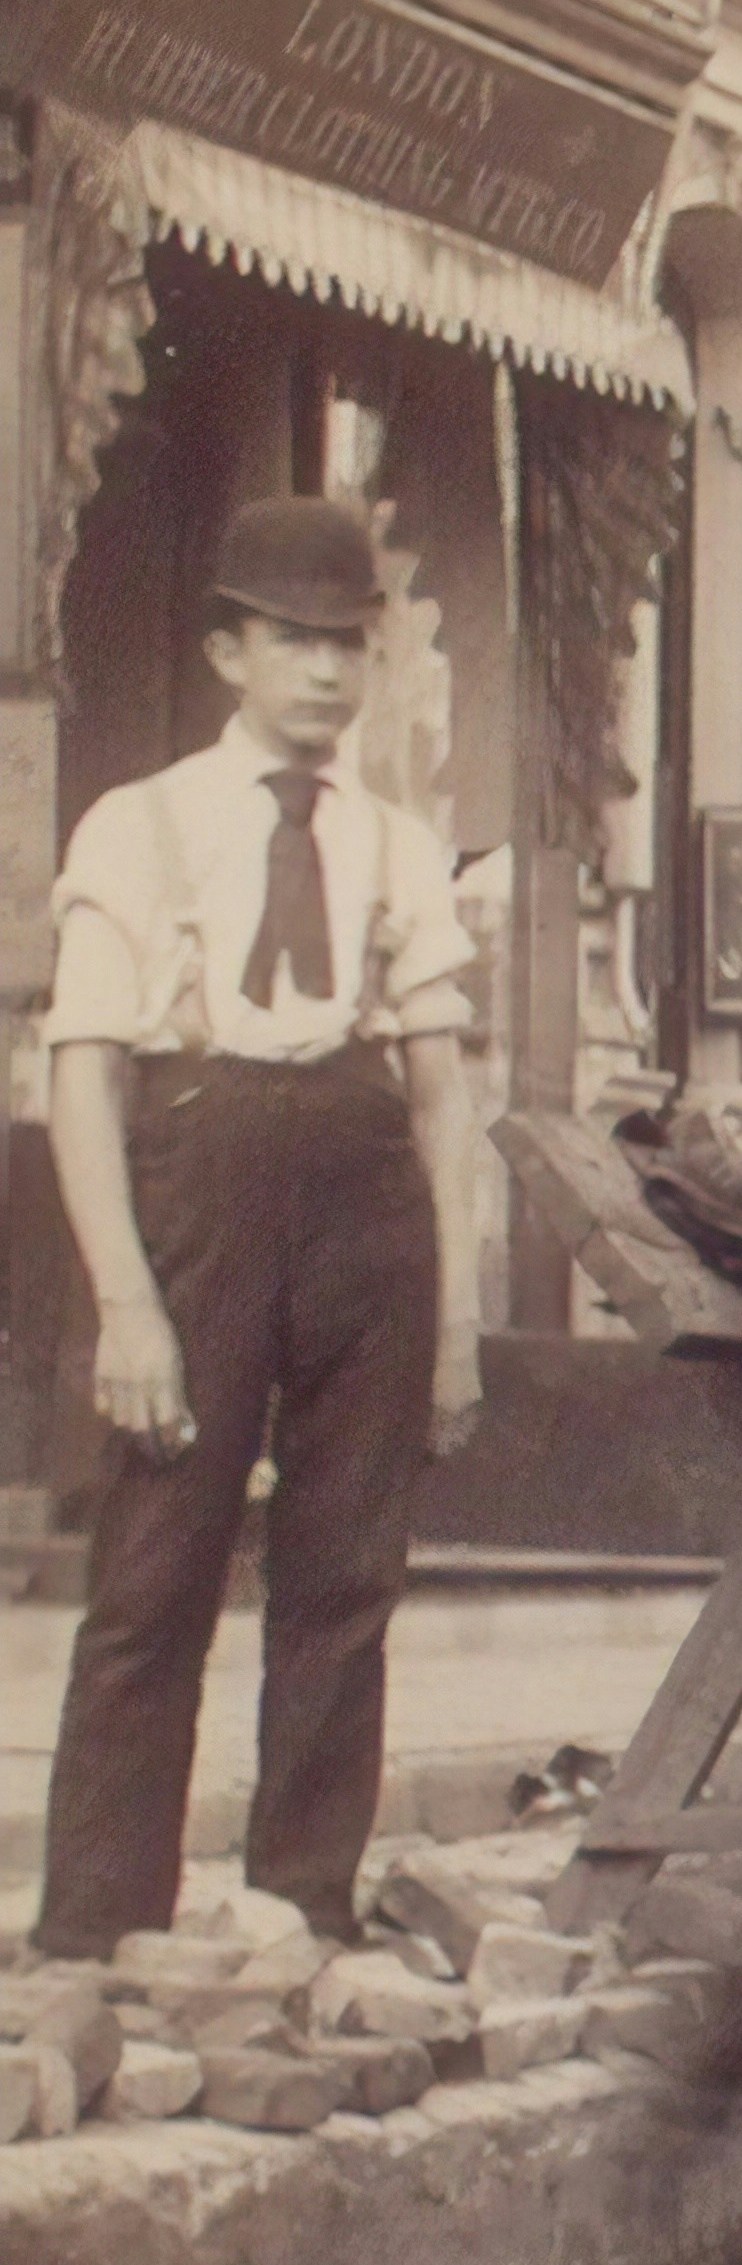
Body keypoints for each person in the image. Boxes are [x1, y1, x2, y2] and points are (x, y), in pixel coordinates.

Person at [30, 496, 487, 1955]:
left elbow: (440, 1095)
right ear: (230, 651)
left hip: (368, 1204)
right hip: (202, 1192)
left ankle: (304, 1908)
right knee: (157, 1573)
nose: (326, 675)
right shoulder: (141, 824)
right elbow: (80, 1075)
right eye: (293, 641)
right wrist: (126, 1305)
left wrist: (457, 1325)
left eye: (348, 644)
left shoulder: (403, 849)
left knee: (348, 1573)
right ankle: (97, 1930)